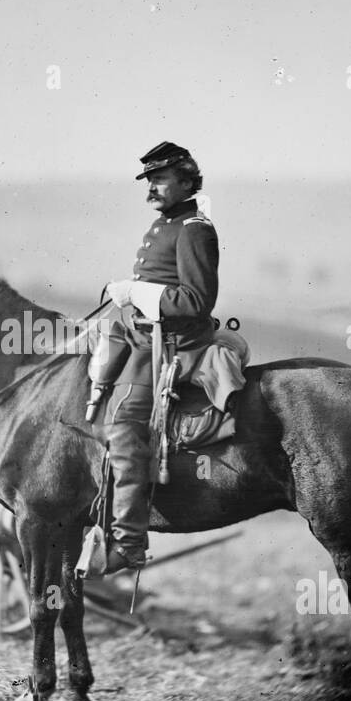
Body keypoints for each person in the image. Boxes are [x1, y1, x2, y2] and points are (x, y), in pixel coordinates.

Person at [85, 141, 219, 576]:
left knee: (123, 425)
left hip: (171, 346)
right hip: (144, 333)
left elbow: (196, 300)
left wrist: (136, 292)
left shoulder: (194, 228)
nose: (153, 188)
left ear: (187, 181)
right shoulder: (167, 223)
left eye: (161, 180)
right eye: (150, 180)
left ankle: (127, 543)